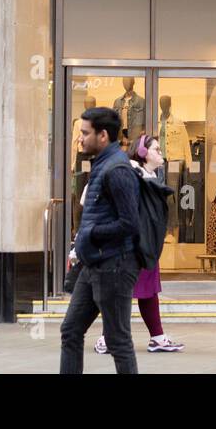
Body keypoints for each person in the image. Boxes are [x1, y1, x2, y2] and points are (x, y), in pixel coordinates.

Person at [60, 106, 141, 374]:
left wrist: (91, 232)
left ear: (103, 135)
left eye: (85, 133)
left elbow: (129, 223)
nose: (79, 138)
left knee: (118, 340)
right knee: (71, 330)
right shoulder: (103, 164)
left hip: (114, 265)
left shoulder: (117, 169)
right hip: (94, 263)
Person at [95, 134, 183, 355]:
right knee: (122, 293)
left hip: (145, 246)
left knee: (147, 291)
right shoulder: (130, 174)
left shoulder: (148, 175)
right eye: (156, 149)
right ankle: (107, 338)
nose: (160, 153)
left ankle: (157, 337)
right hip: (130, 246)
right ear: (143, 152)